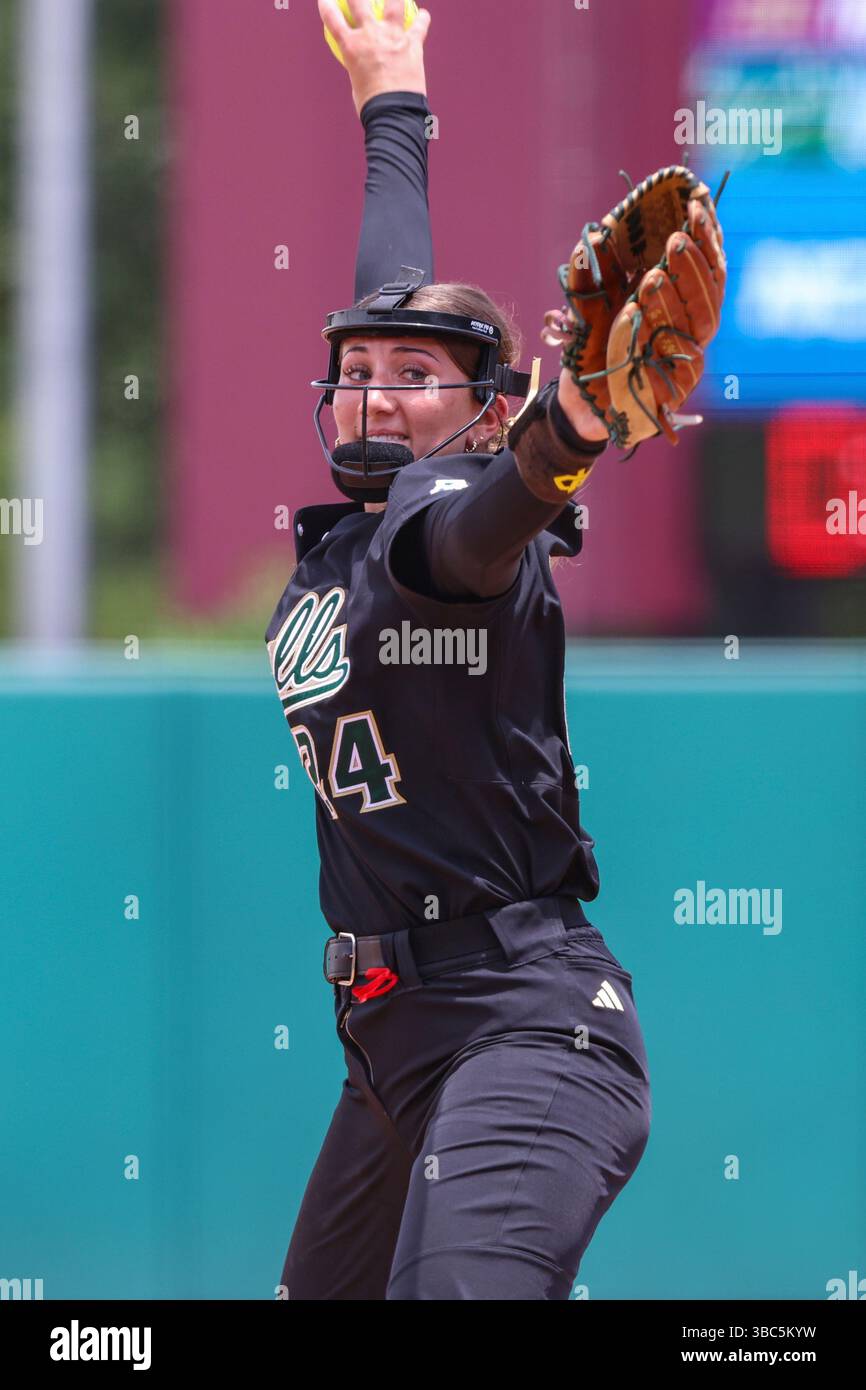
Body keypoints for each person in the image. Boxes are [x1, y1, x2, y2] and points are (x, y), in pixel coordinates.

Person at [266, 0, 651, 1300]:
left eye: (409, 374)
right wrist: (394, 93)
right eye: (354, 367)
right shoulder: (357, 530)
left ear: (483, 411)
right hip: (390, 1035)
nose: (375, 386)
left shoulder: (448, 511)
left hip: (525, 1022)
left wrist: (573, 425)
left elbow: (488, 521)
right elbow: (397, 284)